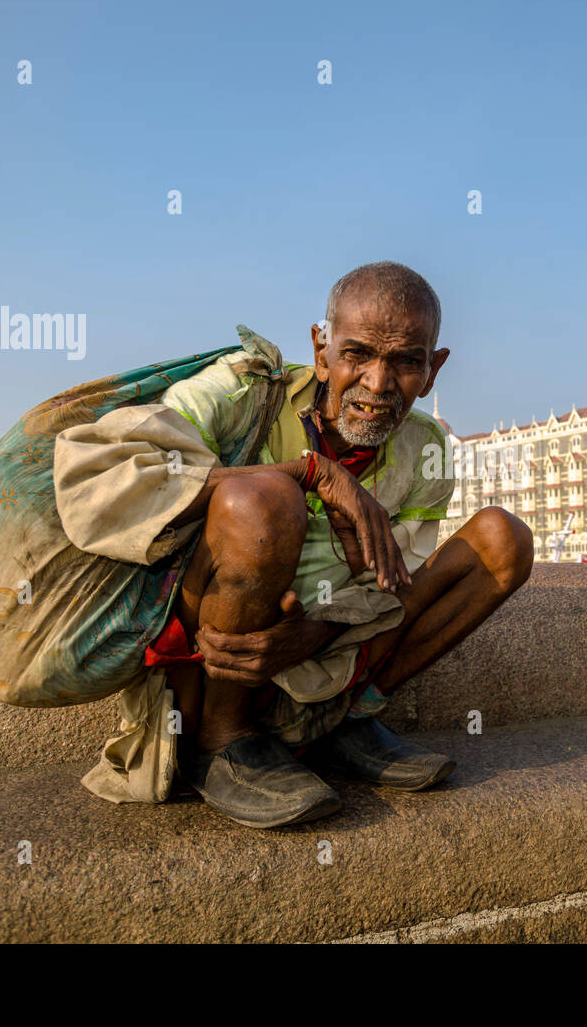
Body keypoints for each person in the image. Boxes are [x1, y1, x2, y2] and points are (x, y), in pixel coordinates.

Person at [52, 261, 533, 827]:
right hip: (212, 658)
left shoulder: (424, 449)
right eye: (357, 355)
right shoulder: (242, 393)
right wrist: (312, 474)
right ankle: (222, 742)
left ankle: (344, 718)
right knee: (264, 500)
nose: (378, 385)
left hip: (331, 645)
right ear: (322, 349)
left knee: (504, 541)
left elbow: (394, 584)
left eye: (406, 362)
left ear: (433, 371)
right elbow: (101, 472)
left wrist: (313, 635)